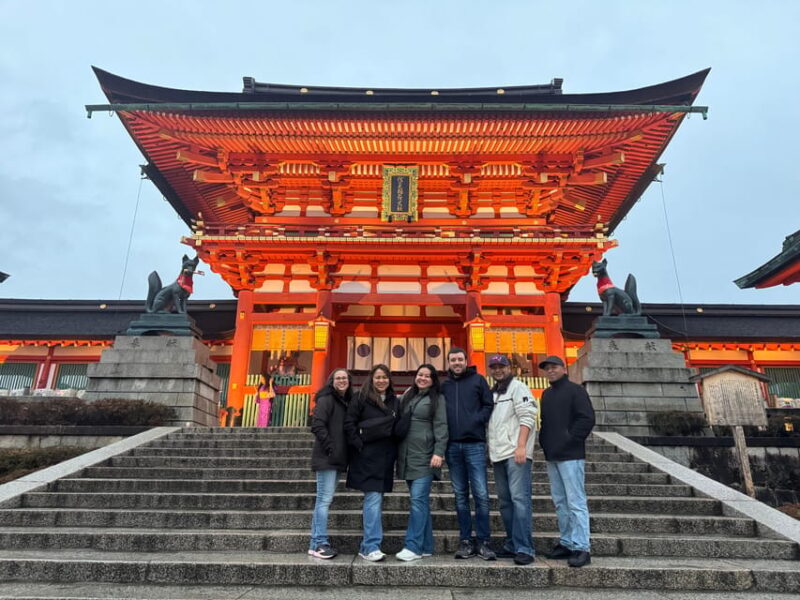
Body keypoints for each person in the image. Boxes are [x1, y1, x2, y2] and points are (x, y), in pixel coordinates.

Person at [538, 355, 596, 568]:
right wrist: (545, 442)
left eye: (554, 367)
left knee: (576, 501)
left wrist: (570, 439)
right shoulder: (546, 394)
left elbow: (587, 418)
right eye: (547, 368)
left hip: (571, 455)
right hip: (552, 455)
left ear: (564, 369)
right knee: (560, 501)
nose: (550, 371)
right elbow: (545, 422)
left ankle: (582, 546)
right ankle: (567, 541)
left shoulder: (576, 391)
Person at [441, 347, 496, 560]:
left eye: (459, 359)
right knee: (460, 495)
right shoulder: (444, 385)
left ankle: (484, 541)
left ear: (466, 361)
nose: (456, 363)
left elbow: (488, 404)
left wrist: (476, 420)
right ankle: (465, 540)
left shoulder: (478, 380)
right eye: (453, 360)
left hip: (474, 444)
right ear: (448, 362)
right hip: (453, 446)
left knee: (481, 494)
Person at [486, 354, 538, 565]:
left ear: (510, 368)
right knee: (505, 502)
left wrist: (521, 446)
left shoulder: (518, 388)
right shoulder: (493, 393)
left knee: (519, 500)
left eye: (502, 366)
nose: (498, 370)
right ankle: (512, 543)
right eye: (494, 367)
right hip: (498, 454)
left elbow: (528, 416)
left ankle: (525, 547)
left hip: (516, 453)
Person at [344, 364, 399, 562]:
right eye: (378, 377)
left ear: (389, 380)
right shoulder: (360, 398)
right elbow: (349, 424)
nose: (381, 381)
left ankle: (367, 545)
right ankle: (370, 546)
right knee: (373, 500)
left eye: (385, 377)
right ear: (371, 379)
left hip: (385, 457)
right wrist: (359, 445)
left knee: (376, 500)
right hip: (366, 457)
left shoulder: (394, 401)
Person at [395, 364, 449, 562]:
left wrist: (439, 452)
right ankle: (426, 546)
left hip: (426, 457)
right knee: (421, 502)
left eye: (427, 376)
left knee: (417, 501)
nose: (423, 378)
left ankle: (413, 546)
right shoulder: (409, 396)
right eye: (420, 375)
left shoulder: (437, 399)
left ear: (433, 380)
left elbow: (442, 426)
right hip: (407, 456)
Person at [308, 368, 352, 559]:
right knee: (324, 501)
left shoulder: (345, 402)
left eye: (345, 378)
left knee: (325, 500)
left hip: (336, 459)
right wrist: (331, 447)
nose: (342, 381)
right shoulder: (326, 399)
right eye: (338, 378)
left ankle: (315, 544)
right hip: (327, 458)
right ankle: (319, 543)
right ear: (331, 381)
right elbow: (317, 425)